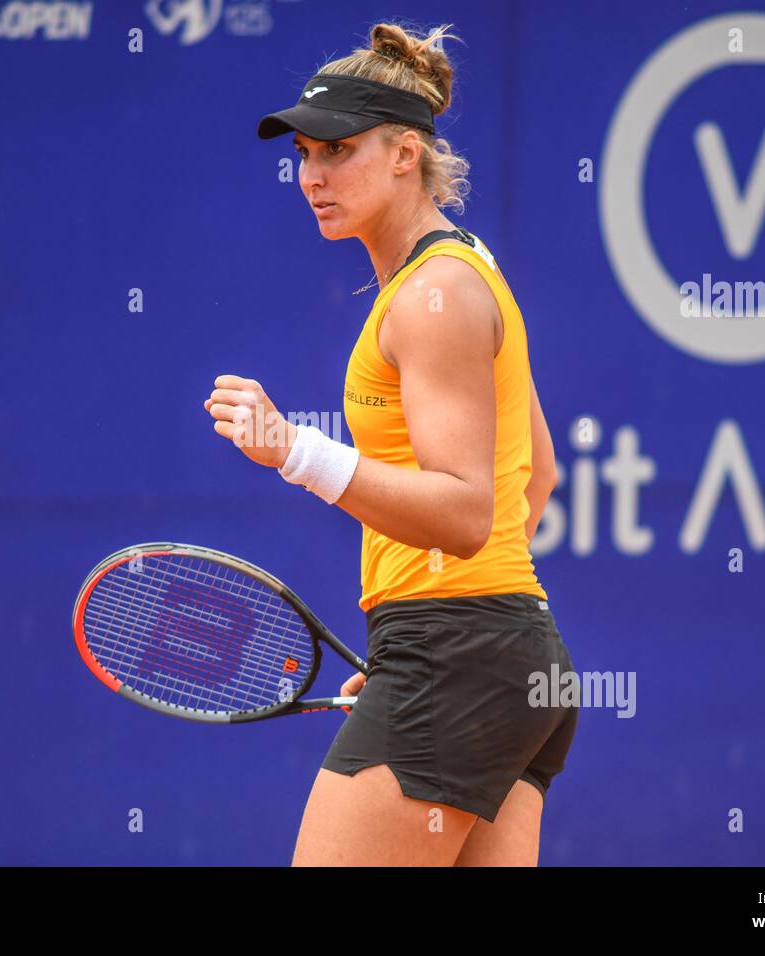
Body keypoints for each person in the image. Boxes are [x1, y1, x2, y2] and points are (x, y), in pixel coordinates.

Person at [203, 21, 578, 866]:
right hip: (511, 659)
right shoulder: (466, 268)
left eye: (337, 151)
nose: (312, 176)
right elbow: (539, 477)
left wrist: (297, 451)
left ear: (406, 153)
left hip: (462, 655)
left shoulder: (431, 295)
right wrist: (434, 640)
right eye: (303, 154)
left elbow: (468, 511)